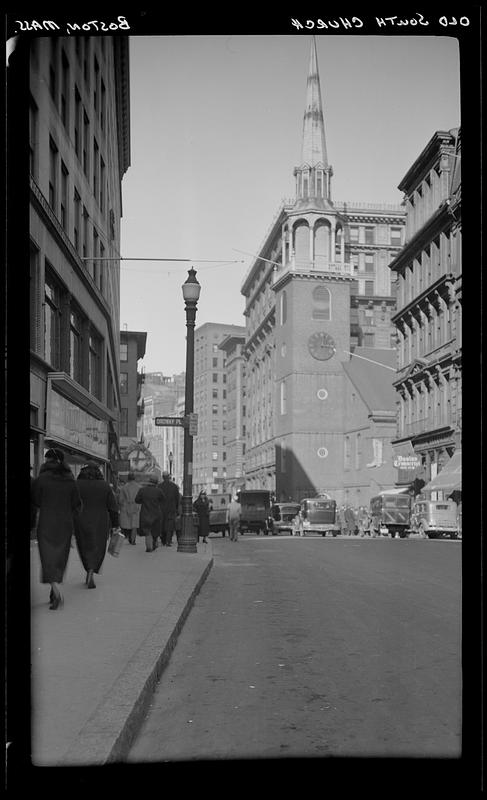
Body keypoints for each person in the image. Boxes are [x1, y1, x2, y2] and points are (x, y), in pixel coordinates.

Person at [31, 448, 82, 610]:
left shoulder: (41, 480)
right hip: (65, 524)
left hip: (46, 522)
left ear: (47, 461)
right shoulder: (70, 480)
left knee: (47, 557)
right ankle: (54, 589)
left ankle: (55, 589)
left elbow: (36, 500)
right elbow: (76, 504)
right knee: (60, 557)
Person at [74, 462, 119, 588]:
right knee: (98, 546)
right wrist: (116, 524)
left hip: (80, 520)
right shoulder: (104, 486)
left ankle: (88, 567)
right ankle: (92, 570)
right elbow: (113, 508)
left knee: (83, 546)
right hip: (100, 521)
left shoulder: (77, 485)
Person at [135, 474, 165, 552]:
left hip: (145, 513)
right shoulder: (159, 491)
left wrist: (143, 501)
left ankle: (149, 547)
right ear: (156, 483)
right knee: (155, 530)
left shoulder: (142, 490)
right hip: (156, 513)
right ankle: (154, 542)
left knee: (147, 531)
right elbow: (163, 500)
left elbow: (137, 500)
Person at [118, 473, 141, 545]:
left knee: (127, 524)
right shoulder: (139, 487)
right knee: (134, 525)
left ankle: (128, 536)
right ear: (134, 478)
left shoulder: (124, 488)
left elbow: (120, 500)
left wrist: (122, 504)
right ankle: (133, 540)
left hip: (126, 507)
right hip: (136, 507)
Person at [159, 471, 181, 546]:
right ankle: (168, 541)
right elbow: (177, 499)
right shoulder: (174, 486)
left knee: (162, 524)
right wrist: (176, 508)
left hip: (162, 508)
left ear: (163, 477)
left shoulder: (159, 486)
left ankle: (163, 540)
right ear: (169, 477)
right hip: (171, 508)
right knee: (170, 525)